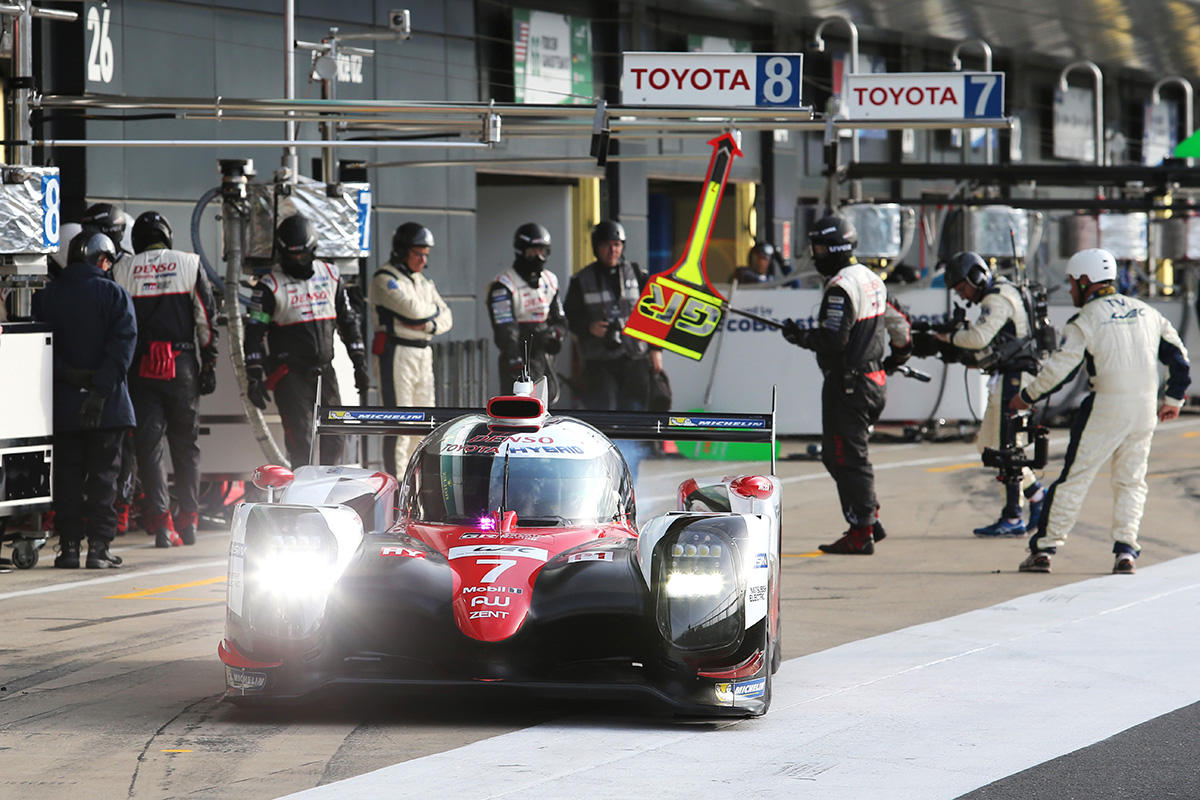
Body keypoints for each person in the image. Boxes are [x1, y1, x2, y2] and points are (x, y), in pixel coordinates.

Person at [1010, 248, 1190, 575]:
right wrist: (1174, 400)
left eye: (1071, 282)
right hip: (1144, 408)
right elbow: (1179, 359)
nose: (1070, 289)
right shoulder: (1147, 311)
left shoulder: (1085, 319)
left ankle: (1044, 549)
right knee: (1132, 481)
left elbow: (1062, 369)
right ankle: (1126, 552)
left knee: (1074, 479)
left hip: (1106, 405)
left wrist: (1026, 396)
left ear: (1084, 280)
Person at [780, 213, 908, 555]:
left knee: (847, 457)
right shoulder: (871, 279)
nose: (816, 254)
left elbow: (834, 340)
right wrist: (898, 358)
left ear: (835, 247)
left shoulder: (841, 286)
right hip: (870, 381)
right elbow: (901, 325)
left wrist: (800, 336)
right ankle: (868, 517)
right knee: (838, 456)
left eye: (820, 246)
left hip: (849, 386)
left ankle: (861, 531)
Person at [112, 211, 218, 547]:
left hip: (140, 367)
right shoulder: (189, 263)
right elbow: (206, 317)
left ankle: (162, 525)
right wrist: (209, 361)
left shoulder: (122, 269)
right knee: (187, 448)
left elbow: (116, 323)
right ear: (167, 235)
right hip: (182, 363)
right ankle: (189, 521)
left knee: (148, 449)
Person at [32, 233, 136, 569]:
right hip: (108, 407)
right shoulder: (114, 294)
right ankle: (99, 549)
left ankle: (70, 549)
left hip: (63, 404)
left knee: (67, 477)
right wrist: (99, 391)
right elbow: (122, 348)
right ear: (103, 260)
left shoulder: (48, 295)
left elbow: (39, 344)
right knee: (104, 478)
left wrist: (69, 377)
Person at [934, 251, 1047, 538]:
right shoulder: (1001, 293)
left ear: (976, 276)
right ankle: (1036, 495)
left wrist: (947, 337)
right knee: (989, 443)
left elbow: (979, 338)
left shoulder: (996, 298)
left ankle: (1012, 516)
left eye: (962, 288)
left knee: (1007, 447)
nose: (962, 295)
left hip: (1016, 377)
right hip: (1008, 375)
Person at [245, 214, 368, 467]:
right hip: (290, 375)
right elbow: (253, 334)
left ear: (312, 251)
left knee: (335, 437)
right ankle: (301, 502)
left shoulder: (331, 276)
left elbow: (349, 322)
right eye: (290, 256)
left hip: (326, 371)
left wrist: (359, 364)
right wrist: (254, 376)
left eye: (301, 255)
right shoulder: (269, 286)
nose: (296, 261)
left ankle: (328, 500)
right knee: (302, 442)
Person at [564, 220, 663, 479]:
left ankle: (633, 474)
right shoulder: (581, 280)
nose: (612, 250)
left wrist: (656, 350)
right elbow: (569, 318)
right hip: (600, 362)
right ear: (597, 248)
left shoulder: (637, 274)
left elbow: (655, 314)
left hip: (635, 359)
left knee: (635, 419)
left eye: (617, 245)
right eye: (607, 245)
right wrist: (588, 328)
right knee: (604, 419)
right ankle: (604, 475)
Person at [369, 221, 453, 476]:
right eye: (419, 254)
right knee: (401, 423)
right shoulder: (386, 279)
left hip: (423, 352)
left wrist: (427, 324)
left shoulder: (423, 282)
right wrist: (430, 316)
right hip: (398, 352)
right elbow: (415, 311)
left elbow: (447, 318)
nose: (423, 261)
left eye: (426, 255)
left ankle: (418, 481)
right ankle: (396, 486)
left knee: (425, 423)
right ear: (402, 250)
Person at [81, 205, 138, 534]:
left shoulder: (123, 267)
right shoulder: (96, 269)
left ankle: (120, 509)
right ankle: (111, 516)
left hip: (109, 374)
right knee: (109, 453)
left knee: (121, 449)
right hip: (110, 375)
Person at [487, 222, 568, 400]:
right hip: (517, 357)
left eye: (542, 251)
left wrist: (555, 334)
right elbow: (504, 328)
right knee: (519, 412)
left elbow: (560, 319)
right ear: (521, 251)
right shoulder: (504, 284)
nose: (538, 257)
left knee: (546, 408)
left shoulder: (550, 280)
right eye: (533, 252)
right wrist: (515, 359)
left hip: (544, 356)